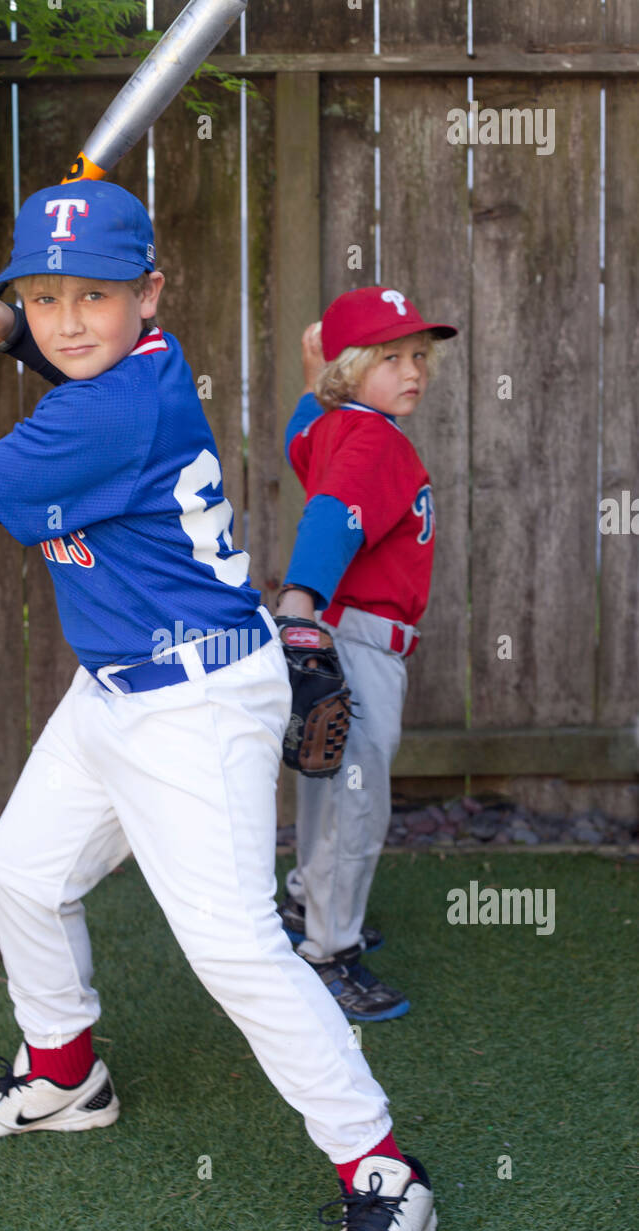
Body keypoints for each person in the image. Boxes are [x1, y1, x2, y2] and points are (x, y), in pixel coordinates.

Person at [0, 186, 436, 1231]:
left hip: (195, 704)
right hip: (113, 690)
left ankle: (382, 1171)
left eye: (92, 296)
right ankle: (63, 1076)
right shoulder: (131, 373)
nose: (66, 320)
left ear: (148, 295)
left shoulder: (107, 408)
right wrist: (16, 347)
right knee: (23, 875)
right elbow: (80, 373)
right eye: (42, 298)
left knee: (235, 946)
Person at [275, 287, 458, 1023]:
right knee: (355, 804)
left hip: (343, 633)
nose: (412, 369)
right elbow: (333, 515)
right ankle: (330, 956)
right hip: (356, 639)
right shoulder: (376, 438)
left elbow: (299, 442)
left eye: (419, 355)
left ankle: (305, 909)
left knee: (329, 795)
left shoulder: (336, 426)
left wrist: (312, 377)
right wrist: (300, 602)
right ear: (352, 370)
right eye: (391, 357)